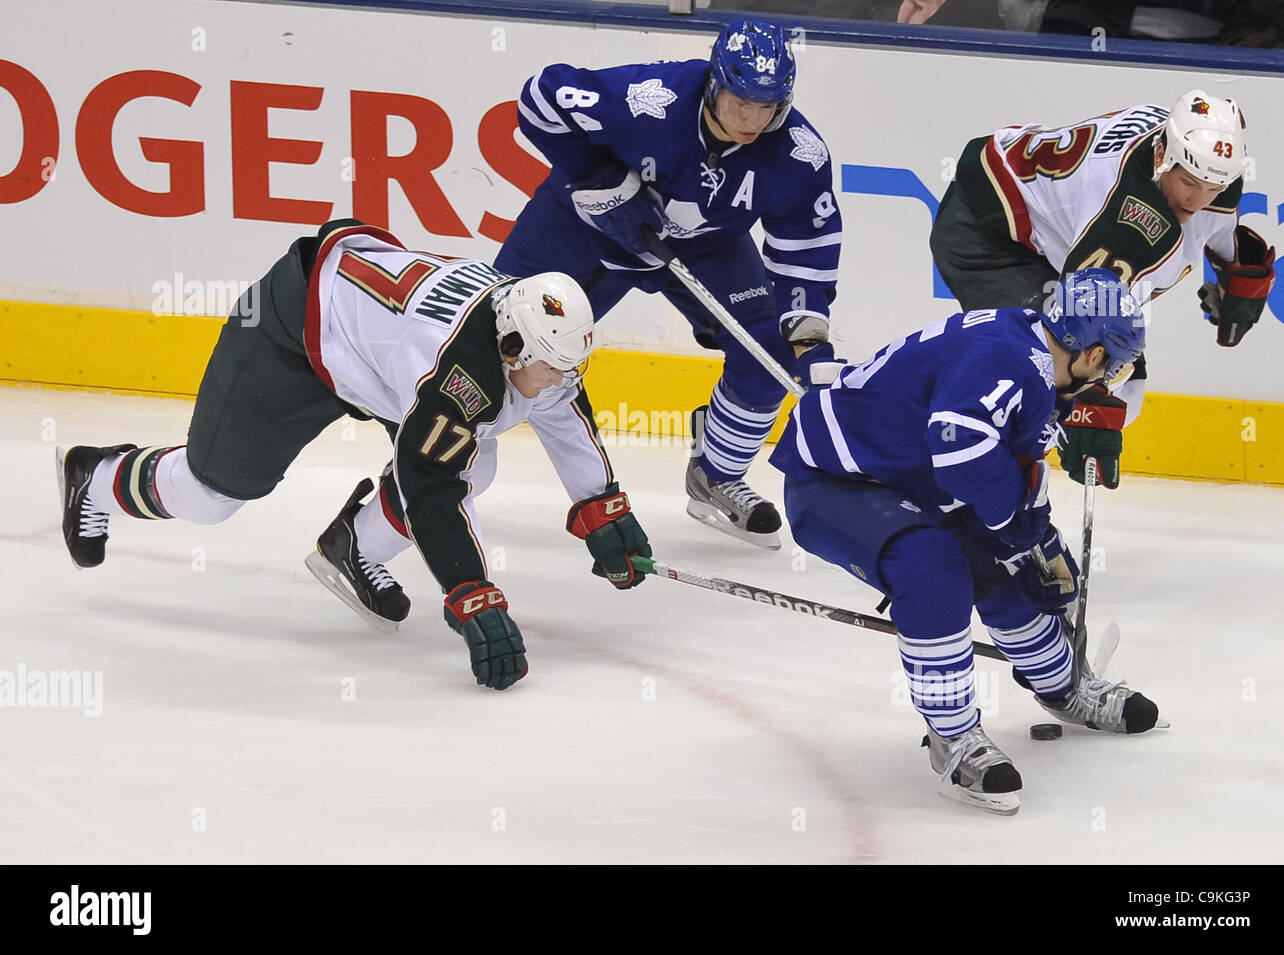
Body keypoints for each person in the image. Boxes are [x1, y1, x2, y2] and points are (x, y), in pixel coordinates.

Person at [57, 220, 652, 692]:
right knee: (213, 496)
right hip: (292, 329)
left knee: (475, 461)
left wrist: (601, 505)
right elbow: (429, 485)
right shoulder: (456, 375)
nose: (563, 381)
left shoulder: (521, 332)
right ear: (513, 348)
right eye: (554, 368)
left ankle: (352, 549)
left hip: (374, 345)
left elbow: (563, 411)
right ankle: (99, 477)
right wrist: (472, 592)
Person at [772, 269, 1160, 816]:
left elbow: (1010, 466)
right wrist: (1014, 527)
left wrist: (1037, 536)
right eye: (1115, 366)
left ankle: (1065, 686)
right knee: (933, 570)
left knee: (1015, 572)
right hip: (837, 482)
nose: (1113, 379)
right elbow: (959, 453)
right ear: (1092, 355)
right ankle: (951, 736)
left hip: (913, 477)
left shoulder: (1037, 353)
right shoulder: (1009, 362)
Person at [496, 17, 843, 550]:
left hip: (707, 245)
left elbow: (806, 246)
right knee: (502, 340)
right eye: (739, 102)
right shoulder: (649, 99)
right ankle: (438, 463)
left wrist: (807, 334)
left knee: (768, 351)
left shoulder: (798, 155)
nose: (752, 119)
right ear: (714, 83)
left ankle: (716, 476)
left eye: (768, 106)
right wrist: (599, 178)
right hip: (584, 227)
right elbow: (541, 98)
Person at [930, 89, 1276, 490]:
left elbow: (1214, 229)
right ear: (1163, 156)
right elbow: (1076, 330)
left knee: (1130, 387)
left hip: (1056, 229)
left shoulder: (1194, 155)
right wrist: (1086, 410)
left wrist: (1237, 272)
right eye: (1189, 183)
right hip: (986, 230)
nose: (1199, 200)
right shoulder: (1125, 215)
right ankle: (986, 499)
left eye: (1213, 188)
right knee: (1036, 373)